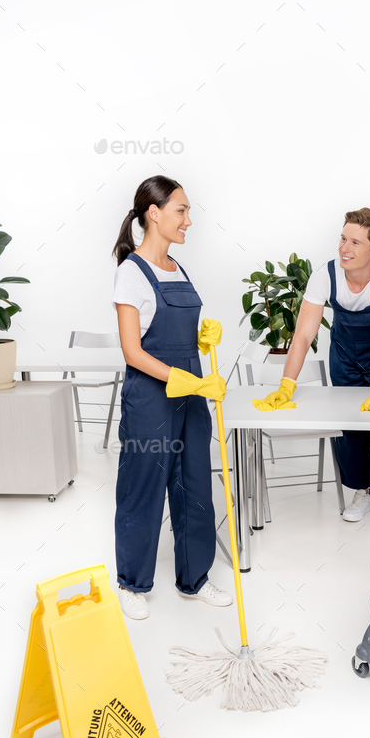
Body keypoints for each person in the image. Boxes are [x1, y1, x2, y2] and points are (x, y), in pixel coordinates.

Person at [111, 175, 233, 620]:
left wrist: (204, 340)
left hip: (191, 398)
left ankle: (194, 579)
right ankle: (133, 582)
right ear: (154, 213)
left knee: (196, 486)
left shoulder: (178, 269)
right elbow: (132, 350)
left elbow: (179, 334)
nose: (188, 220)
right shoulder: (132, 272)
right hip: (151, 399)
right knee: (143, 490)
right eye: (181, 210)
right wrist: (186, 379)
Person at [253, 207, 370, 531]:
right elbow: (302, 334)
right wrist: (287, 384)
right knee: (349, 428)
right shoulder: (325, 274)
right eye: (343, 238)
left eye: (355, 243)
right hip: (343, 357)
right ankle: (362, 492)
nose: (344, 248)